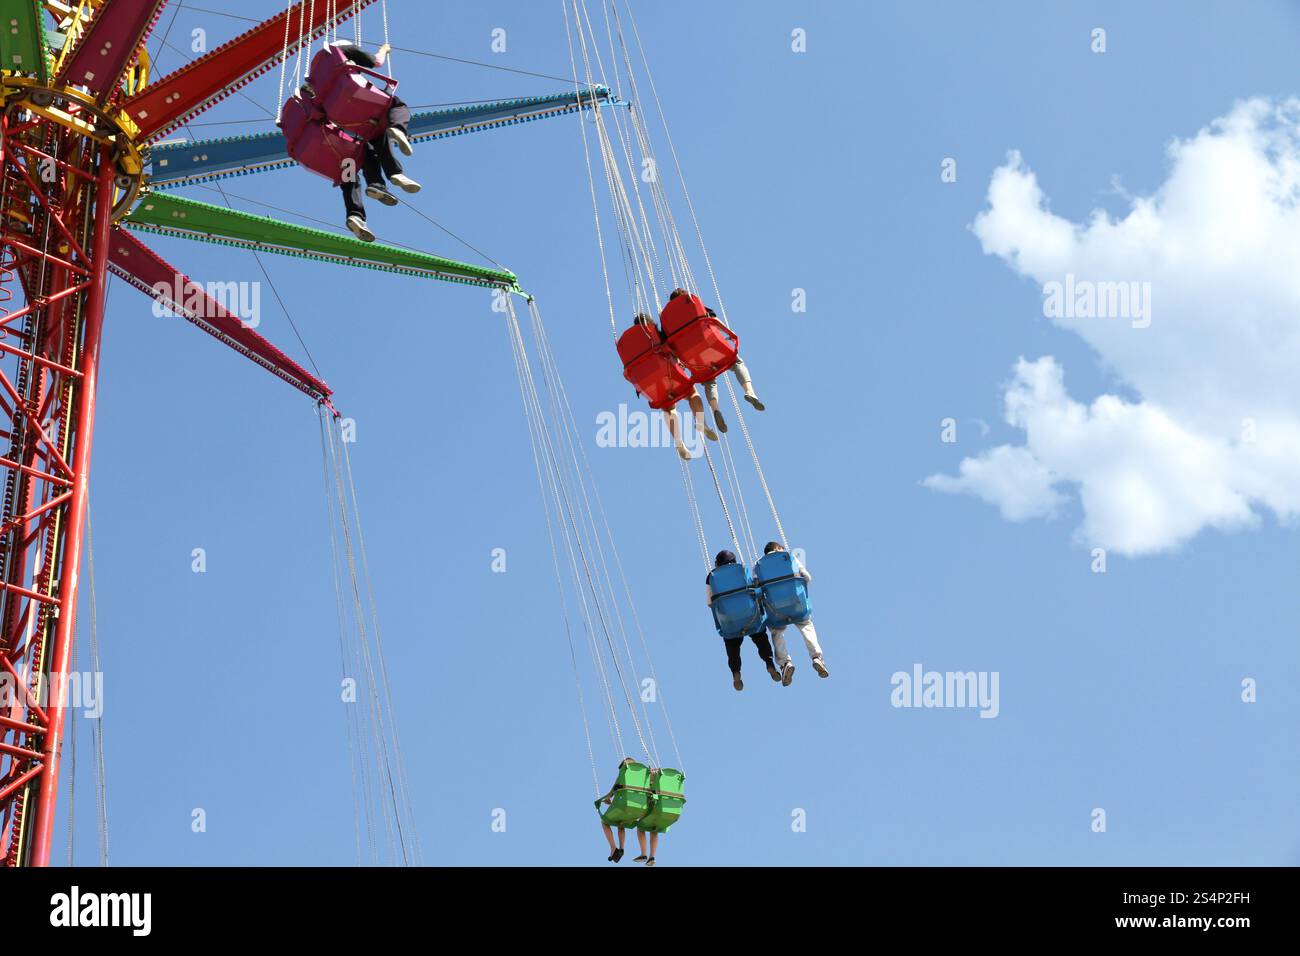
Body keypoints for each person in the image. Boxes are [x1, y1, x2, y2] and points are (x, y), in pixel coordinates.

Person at [308, 40, 420, 242]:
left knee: (355, 159)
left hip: (340, 122)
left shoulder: (315, 79)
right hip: (356, 100)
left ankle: (359, 208)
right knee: (394, 107)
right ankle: (397, 132)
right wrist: (384, 49)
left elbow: (311, 107)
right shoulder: (341, 52)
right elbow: (376, 62)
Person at [665, 288, 764, 435]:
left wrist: (680, 362)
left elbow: (669, 347)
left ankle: (716, 409)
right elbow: (713, 320)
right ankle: (750, 392)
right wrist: (730, 333)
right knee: (736, 362)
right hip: (710, 345)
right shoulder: (692, 304)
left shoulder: (667, 320)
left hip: (692, 358)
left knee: (708, 380)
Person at [630, 312, 718, 460]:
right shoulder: (657, 335)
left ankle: (679, 443)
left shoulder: (632, 347)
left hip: (653, 384)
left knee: (669, 408)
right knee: (692, 394)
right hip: (670, 374)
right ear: (651, 323)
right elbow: (674, 348)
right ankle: (701, 421)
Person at [706, 549, 780, 690]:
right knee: (760, 638)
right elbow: (755, 589)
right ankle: (769, 664)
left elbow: (710, 603)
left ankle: (736, 673)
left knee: (732, 646)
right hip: (750, 616)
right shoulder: (742, 569)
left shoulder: (712, 577)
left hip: (730, 621)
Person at [756, 541, 828, 683]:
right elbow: (807, 577)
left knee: (776, 631)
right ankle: (816, 657)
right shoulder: (790, 557)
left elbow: (757, 587)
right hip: (795, 603)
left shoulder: (758, 565)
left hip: (776, 608)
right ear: (778, 548)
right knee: (806, 624)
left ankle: (784, 663)